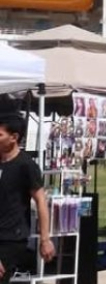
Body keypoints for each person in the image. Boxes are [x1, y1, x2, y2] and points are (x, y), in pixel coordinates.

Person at [0, 115, 54, 284]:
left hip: (11, 238)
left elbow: (40, 201)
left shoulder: (26, 165)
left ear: (14, 138)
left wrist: (45, 239)